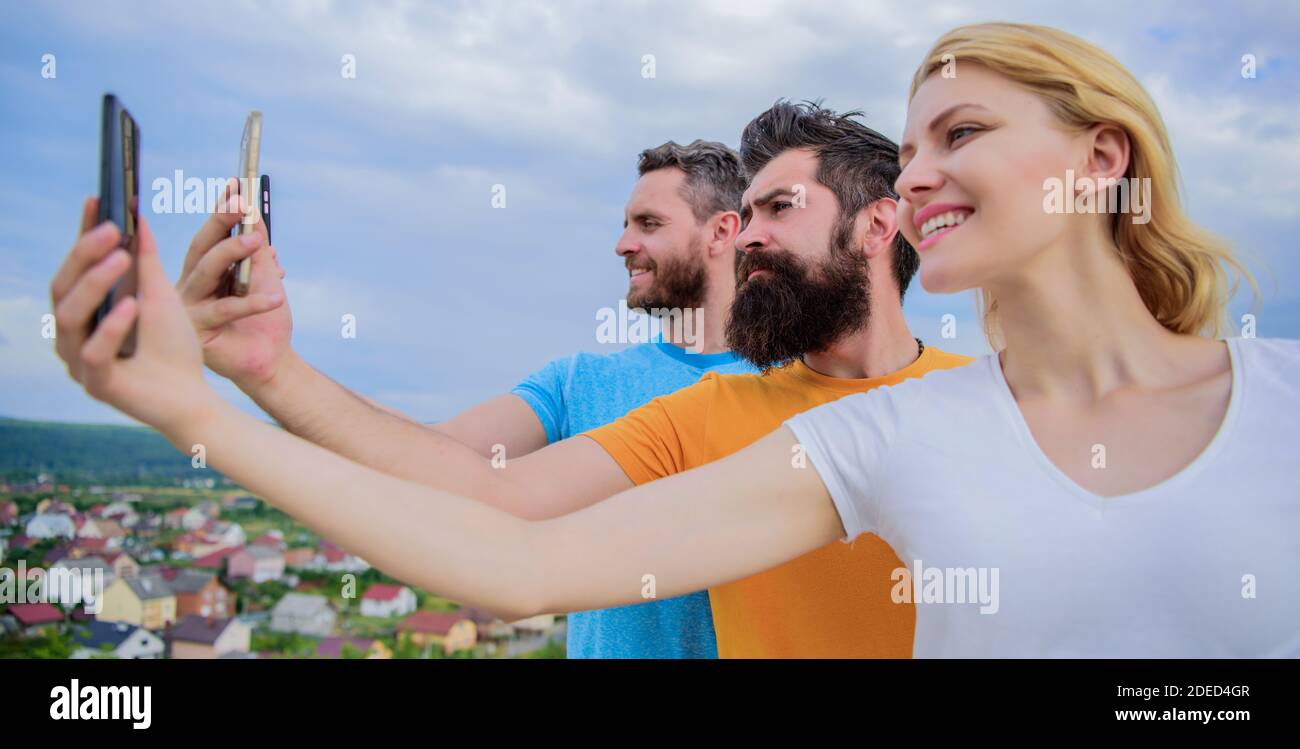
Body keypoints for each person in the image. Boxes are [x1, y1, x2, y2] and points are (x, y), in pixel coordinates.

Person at [52, 22, 1297, 657]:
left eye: (957, 135)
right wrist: (213, 399)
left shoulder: (1278, 393)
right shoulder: (879, 437)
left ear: (1100, 154)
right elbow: (509, 542)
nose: (922, 177)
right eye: (910, 149)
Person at [182, 99, 972, 657]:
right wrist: (269, 371)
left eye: (778, 210)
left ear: (876, 225)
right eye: (751, 213)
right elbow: (474, 491)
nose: (752, 237)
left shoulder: (983, 398)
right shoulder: (704, 408)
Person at [176, 140, 757, 659]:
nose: (622, 244)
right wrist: (271, 369)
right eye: (625, 223)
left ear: (722, 232)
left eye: (648, 223)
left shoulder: (797, 387)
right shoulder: (578, 381)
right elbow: (437, 456)